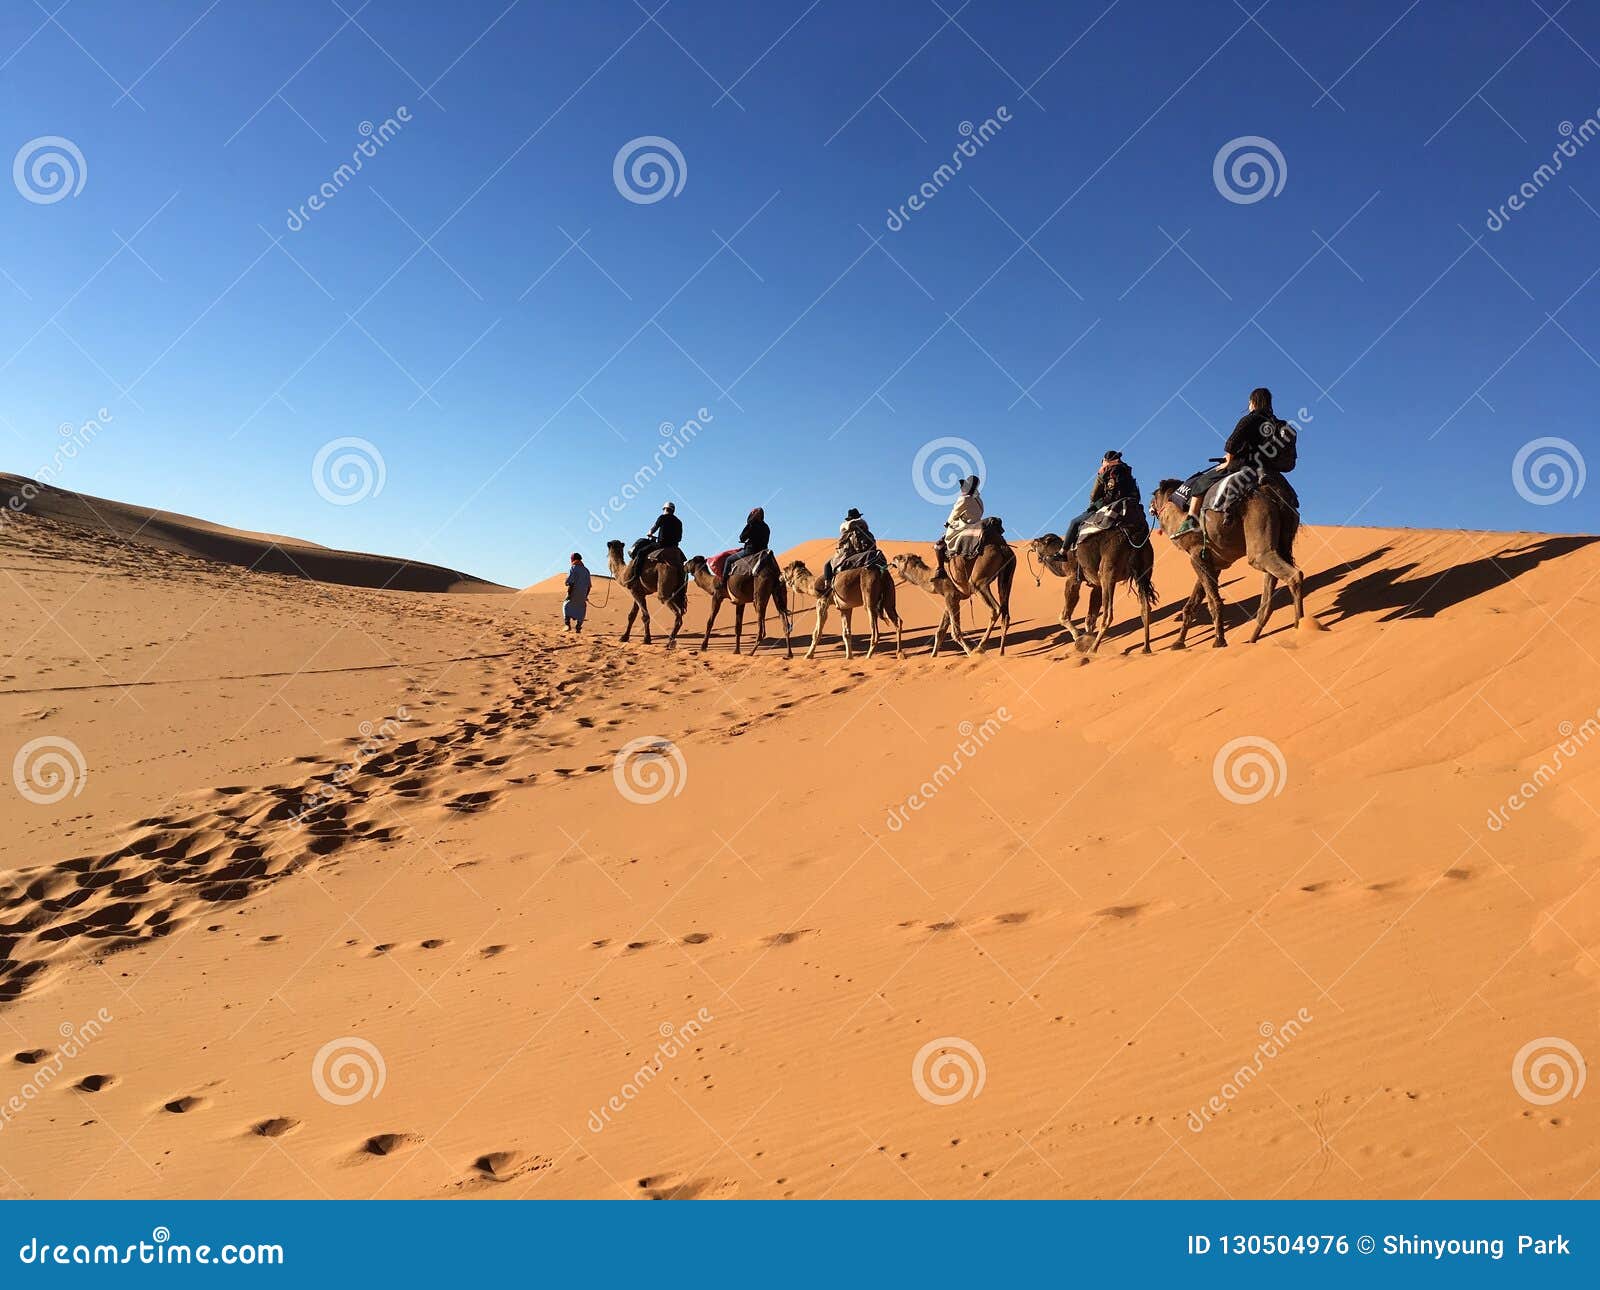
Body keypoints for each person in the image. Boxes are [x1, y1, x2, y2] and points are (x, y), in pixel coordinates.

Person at [1174, 387, 1281, 536]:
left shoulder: (1250, 419)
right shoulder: (1275, 423)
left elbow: (1232, 442)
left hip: (1244, 465)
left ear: (1253, 402)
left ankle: (1191, 519)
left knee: (1201, 482)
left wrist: (1228, 461)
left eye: (1250, 402)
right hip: (1265, 467)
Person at [1062, 451, 1140, 552]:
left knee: (1074, 522)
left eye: (1103, 461)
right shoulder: (1127, 473)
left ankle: (1063, 551)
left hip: (1107, 506)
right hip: (1131, 505)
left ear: (1106, 462)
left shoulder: (1107, 474)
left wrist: (1099, 476)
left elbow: (1093, 496)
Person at [710, 507, 773, 585]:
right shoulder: (766, 527)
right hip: (763, 551)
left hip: (751, 551)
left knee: (729, 560)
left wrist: (750, 519)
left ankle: (723, 581)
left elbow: (742, 537)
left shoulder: (752, 524)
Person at [624, 502, 684, 583]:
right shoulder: (679, 522)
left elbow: (654, 528)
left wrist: (650, 533)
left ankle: (635, 576)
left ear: (665, 509)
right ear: (673, 511)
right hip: (674, 547)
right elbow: (679, 538)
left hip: (661, 545)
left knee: (641, 553)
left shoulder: (662, 517)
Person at [819, 507, 875, 594]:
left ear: (849, 519)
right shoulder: (866, 531)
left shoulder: (848, 531)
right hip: (869, 554)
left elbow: (842, 544)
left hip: (851, 555)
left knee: (827, 565)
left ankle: (828, 589)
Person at [936, 475, 984, 569]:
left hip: (964, 527)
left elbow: (955, 513)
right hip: (977, 527)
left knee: (939, 545)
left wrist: (948, 523)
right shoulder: (979, 501)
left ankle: (940, 569)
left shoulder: (964, 499)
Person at [563, 552, 591, 632]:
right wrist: (585, 596)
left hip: (574, 592)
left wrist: (569, 594)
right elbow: (589, 586)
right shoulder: (586, 570)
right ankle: (578, 627)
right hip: (583, 594)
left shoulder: (573, 568)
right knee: (582, 608)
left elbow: (570, 583)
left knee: (566, 605)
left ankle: (567, 624)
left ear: (572, 559)